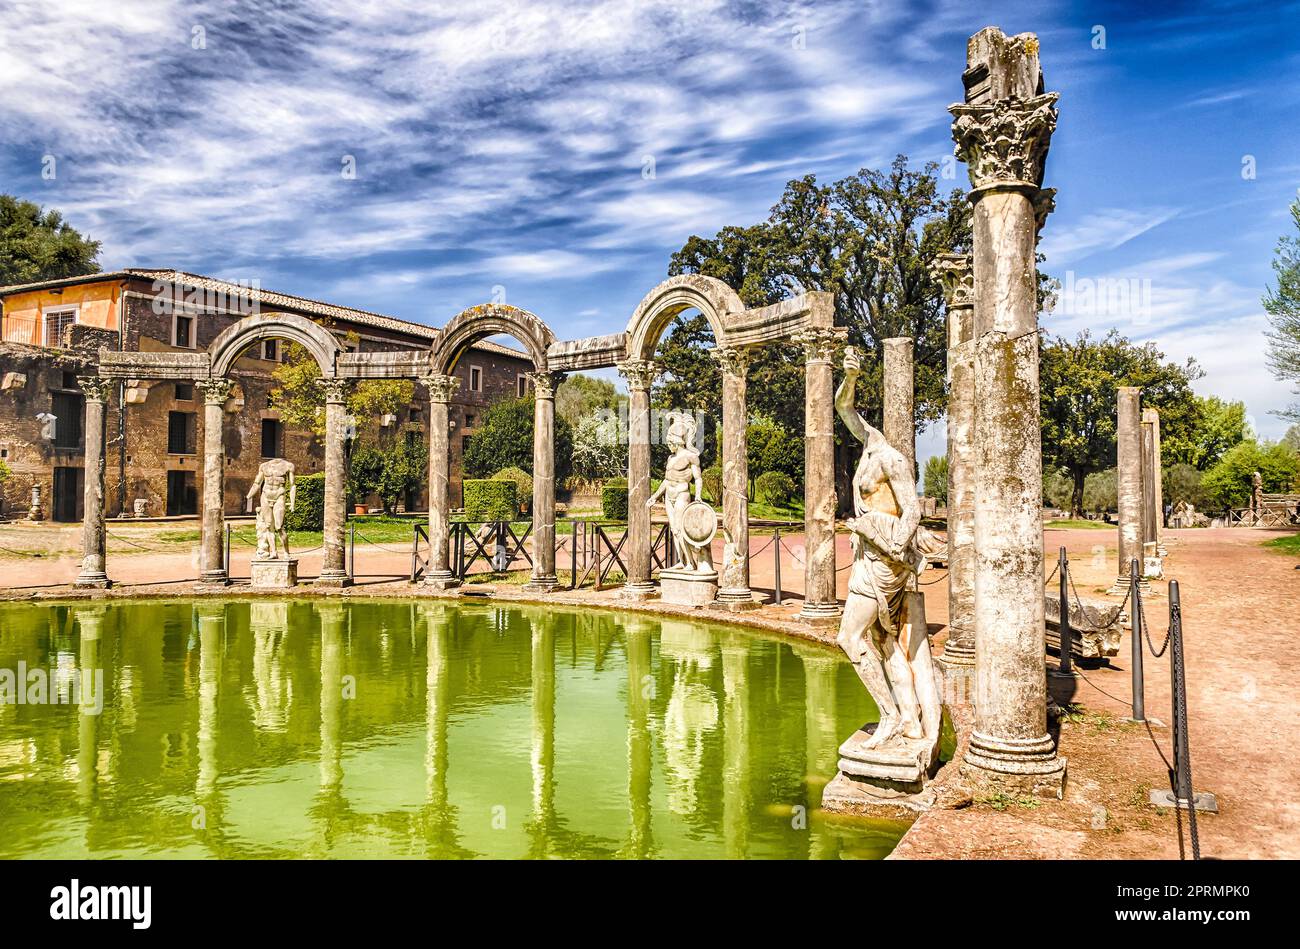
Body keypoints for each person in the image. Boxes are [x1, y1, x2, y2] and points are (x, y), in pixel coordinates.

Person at [834, 346, 941, 752]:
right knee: (883, 640)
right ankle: (910, 718)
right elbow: (844, 407)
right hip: (869, 554)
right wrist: (851, 377)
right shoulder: (869, 445)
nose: (854, 426)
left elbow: (911, 507)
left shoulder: (891, 459)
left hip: (883, 560)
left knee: (849, 637)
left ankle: (890, 714)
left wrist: (894, 545)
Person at [647, 412, 711, 572]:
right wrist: (655, 497)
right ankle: (682, 561)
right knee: (674, 529)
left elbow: (698, 478)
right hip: (669, 495)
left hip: (682, 494)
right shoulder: (670, 459)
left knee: (682, 528)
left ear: (677, 441)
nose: (669, 444)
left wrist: (698, 495)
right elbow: (667, 480)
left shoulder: (691, 457)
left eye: (670, 441)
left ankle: (691, 563)